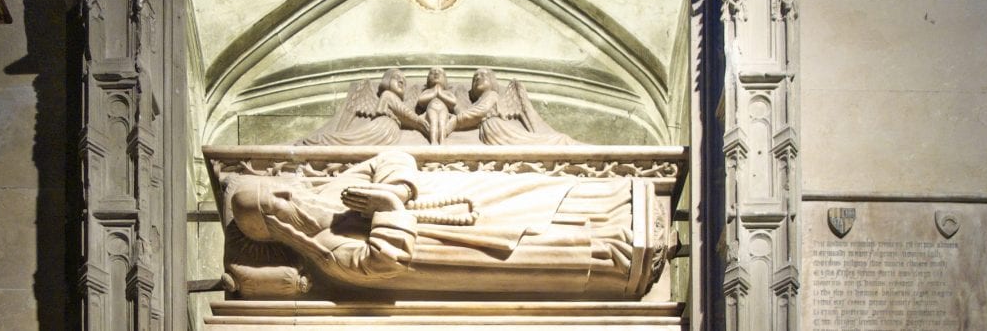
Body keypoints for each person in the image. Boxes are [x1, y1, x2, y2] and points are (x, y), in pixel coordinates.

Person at [224, 150, 661, 299]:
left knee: (535, 195)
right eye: (272, 208)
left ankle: (615, 206)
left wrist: (399, 188)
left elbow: (394, 159)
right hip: (449, 246)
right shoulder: (324, 253)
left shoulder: (331, 186)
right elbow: (382, 262)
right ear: (273, 228)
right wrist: (388, 207)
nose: (284, 197)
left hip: (461, 196)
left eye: (276, 188)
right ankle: (616, 251)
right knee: (534, 243)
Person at [414, 67, 458, 144]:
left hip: (443, 109)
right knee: (433, 122)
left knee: (442, 123)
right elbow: (421, 100)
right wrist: (434, 93)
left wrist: (440, 94)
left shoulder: (446, 92)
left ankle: (442, 140)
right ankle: (433, 141)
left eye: (440, 72)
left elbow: (453, 102)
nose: (436, 73)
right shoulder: (428, 91)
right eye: (432, 72)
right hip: (431, 108)